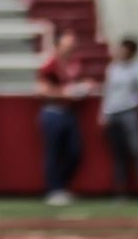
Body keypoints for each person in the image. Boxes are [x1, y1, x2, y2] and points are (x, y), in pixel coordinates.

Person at [37, 30, 94, 206]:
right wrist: (64, 93)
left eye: (72, 46)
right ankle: (53, 190)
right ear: (58, 46)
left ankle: (62, 186)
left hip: (69, 113)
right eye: (67, 46)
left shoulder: (74, 63)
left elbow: (77, 81)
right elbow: (42, 90)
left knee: (74, 151)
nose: (70, 49)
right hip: (53, 112)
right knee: (54, 152)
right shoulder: (50, 63)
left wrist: (85, 86)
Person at [100, 38, 138, 198]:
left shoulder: (135, 69)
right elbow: (107, 91)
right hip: (112, 113)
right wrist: (103, 113)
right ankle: (120, 192)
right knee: (118, 153)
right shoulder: (113, 68)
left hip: (128, 112)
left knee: (135, 150)